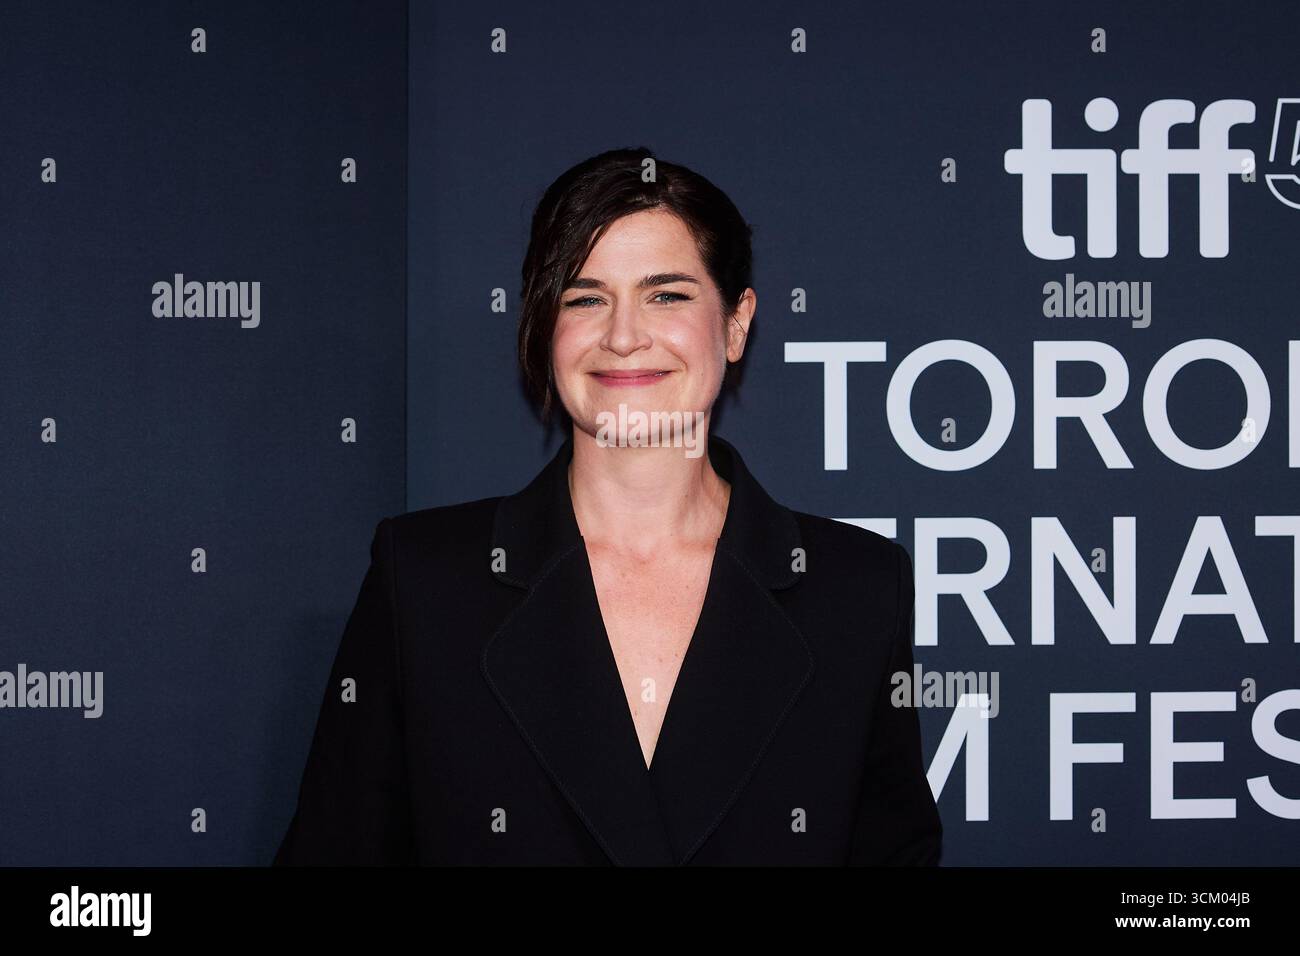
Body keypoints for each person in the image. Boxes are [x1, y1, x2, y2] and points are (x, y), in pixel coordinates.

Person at [273, 147, 942, 866]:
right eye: (585, 297)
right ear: (542, 325)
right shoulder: (426, 581)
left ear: (737, 321)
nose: (624, 336)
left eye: (667, 295)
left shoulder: (854, 587)